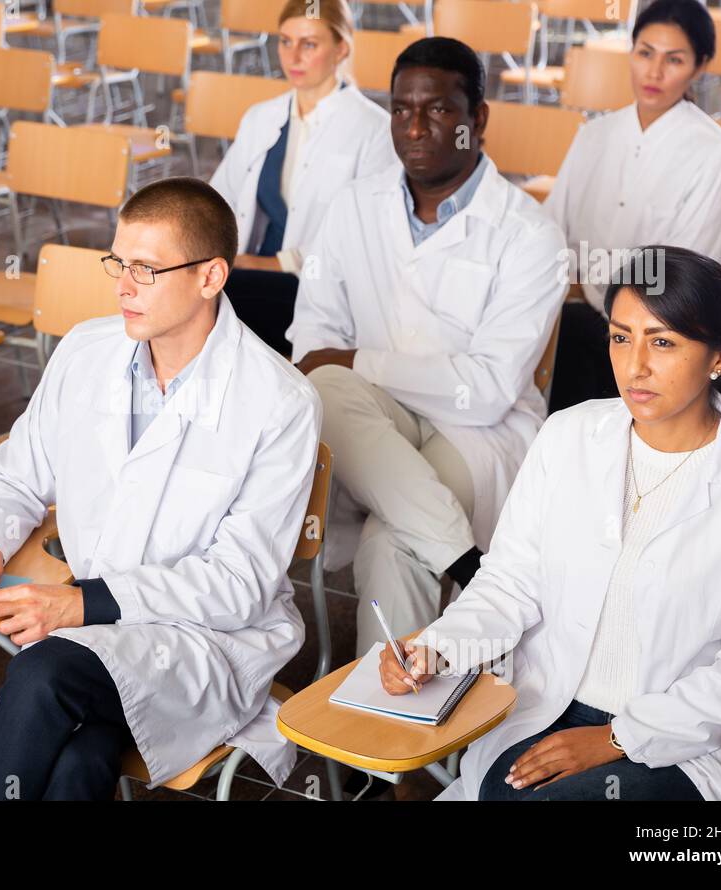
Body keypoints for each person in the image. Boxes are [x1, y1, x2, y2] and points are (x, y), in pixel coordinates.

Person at [0, 177, 322, 800]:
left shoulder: (278, 401)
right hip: (93, 632)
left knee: (44, 677)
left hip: (208, 639)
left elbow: (240, 584)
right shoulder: (86, 350)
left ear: (210, 277)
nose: (122, 286)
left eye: (146, 268)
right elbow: (16, 473)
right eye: (118, 262)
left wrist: (81, 604)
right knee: (77, 757)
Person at [383, 247, 721, 801]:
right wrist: (439, 647)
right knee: (503, 793)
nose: (634, 365)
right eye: (620, 337)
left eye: (663, 342)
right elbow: (511, 583)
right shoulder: (568, 437)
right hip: (549, 708)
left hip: (687, 745)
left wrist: (617, 738)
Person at [286, 37, 566, 648]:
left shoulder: (529, 234)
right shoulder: (352, 206)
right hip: (375, 417)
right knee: (322, 387)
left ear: (477, 118)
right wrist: (343, 366)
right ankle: (470, 567)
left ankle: (383, 734)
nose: (414, 128)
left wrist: (358, 361)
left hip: (477, 435)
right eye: (400, 109)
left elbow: (487, 392)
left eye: (437, 110)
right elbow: (311, 340)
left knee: (393, 543)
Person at [545, 0, 721, 412]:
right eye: (645, 53)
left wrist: (598, 293)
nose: (654, 73)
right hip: (582, 321)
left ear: (700, 65)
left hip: (661, 330)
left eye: (674, 60)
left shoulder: (714, 151)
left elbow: (689, 268)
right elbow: (550, 228)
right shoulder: (594, 135)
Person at [210, 0, 394, 355]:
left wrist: (276, 263)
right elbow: (220, 199)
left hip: (318, 289)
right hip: (246, 272)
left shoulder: (374, 129)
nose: (292, 56)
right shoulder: (261, 117)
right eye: (285, 41)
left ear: (341, 48)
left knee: (210, 304)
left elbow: (366, 236)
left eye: (309, 44)